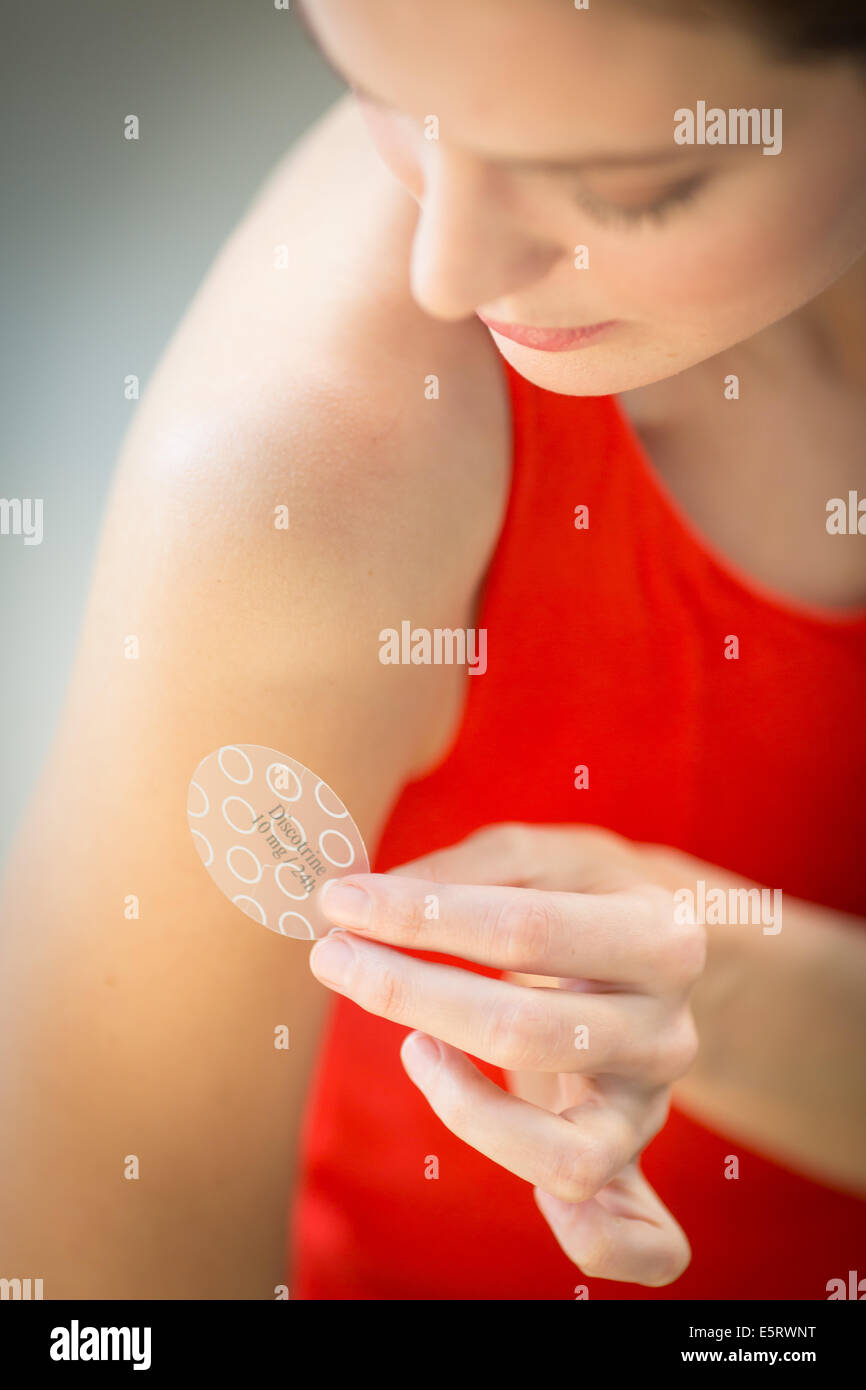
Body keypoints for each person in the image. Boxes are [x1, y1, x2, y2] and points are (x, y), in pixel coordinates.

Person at [1, 0, 864, 1300]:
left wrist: (746, 999)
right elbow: (94, 1302)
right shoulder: (307, 481)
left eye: (626, 187)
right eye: (378, 94)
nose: (446, 270)